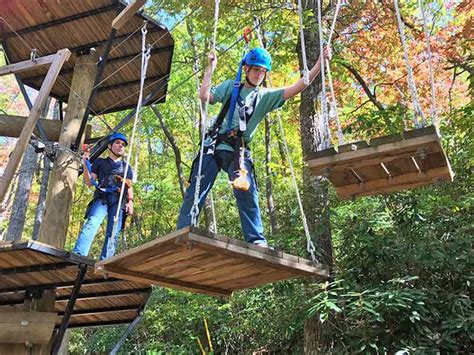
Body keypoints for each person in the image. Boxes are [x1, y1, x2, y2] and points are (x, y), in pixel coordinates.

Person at [177, 46, 331, 247]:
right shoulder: (230, 88)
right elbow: (204, 96)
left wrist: (320, 62)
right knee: (196, 190)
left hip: (238, 152)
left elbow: (300, 85)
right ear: (246, 69)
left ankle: (256, 240)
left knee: (247, 193)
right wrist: (210, 69)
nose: (259, 74)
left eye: (262, 71)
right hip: (213, 147)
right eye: (256, 70)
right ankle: (183, 231)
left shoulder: (265, 97)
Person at [73, 132, 134, 260]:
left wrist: (130, 201)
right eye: (117, 143)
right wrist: (85, 163)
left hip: (118, 201)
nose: (120, 146)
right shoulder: (100, 162)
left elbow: (128, 186)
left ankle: (106, 260)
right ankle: (78, 254)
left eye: (123, 144)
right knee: (92, 223)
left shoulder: (126, 166)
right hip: (102, 198)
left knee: (113, 232)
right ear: (110, 146)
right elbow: (90, 182)